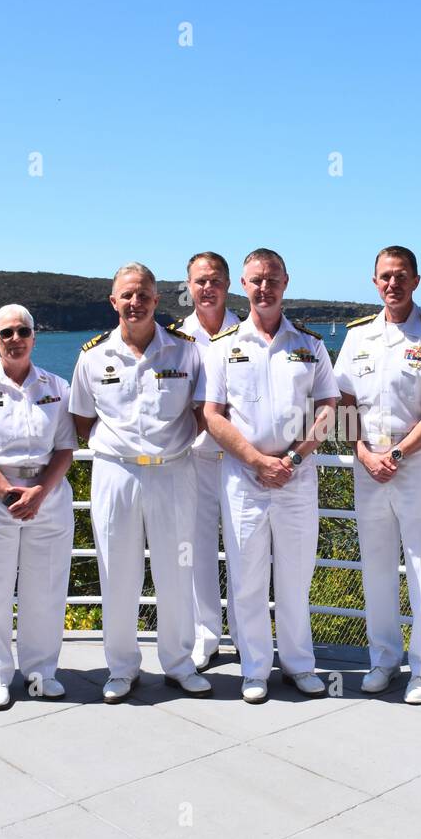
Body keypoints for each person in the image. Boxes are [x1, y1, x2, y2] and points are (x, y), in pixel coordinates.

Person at [196, 248, 339, 704]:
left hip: (297, 478)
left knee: (296, 576)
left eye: (272, 279)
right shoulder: (224, 348)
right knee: (248, 577)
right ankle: (255, 668)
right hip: (243, 479)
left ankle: (299, 664)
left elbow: (330, 409)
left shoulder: (310, 345)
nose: (264, 287)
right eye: (256, 280)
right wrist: (257, 461)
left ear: (285, 282)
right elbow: (212, 415)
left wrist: (293, 460)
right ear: (244, 284)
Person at [69, 262, 211, 703]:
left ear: (157, 300)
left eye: (144, 294)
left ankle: (179, 664)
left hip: (173, 472)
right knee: (118, 572)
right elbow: (79, 419)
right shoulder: (92, 355)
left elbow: (203, 411)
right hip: (117, 473)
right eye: (127, 295)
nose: (136, 302)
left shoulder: (186, 351)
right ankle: (122, 668)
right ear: (114, 301)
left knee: (177, 569)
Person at [333, 246, 421, 705]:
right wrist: (363, 453)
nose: (393, 284)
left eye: (401, 276)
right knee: (375, 567)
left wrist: (397, 452)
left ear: (416, 281)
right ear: (375, 282)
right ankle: (384, 659)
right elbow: (345, 402)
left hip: (418, 465)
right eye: (385, 277)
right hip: (368, 466)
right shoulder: (357, 337)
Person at [0, 305, 76, 711]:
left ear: (34, 336)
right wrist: (9, 493)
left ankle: (42, 673)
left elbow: (65, 448)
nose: (15, 339)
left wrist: (38, 492)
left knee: (46, 589)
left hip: (47, 497)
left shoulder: (57, 386)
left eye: (22, 331)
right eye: (5, 333)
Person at [174, 252, 241, 671]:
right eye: (199, 281)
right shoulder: (177, 339)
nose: (207, 287)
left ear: (228, 283)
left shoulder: (248, 332)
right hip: (194, 458)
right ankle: (206, 636)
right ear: (188, 286)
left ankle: (246, 633)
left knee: (244, 547)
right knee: (198, 549)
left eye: (214, 280)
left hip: (241, 458)